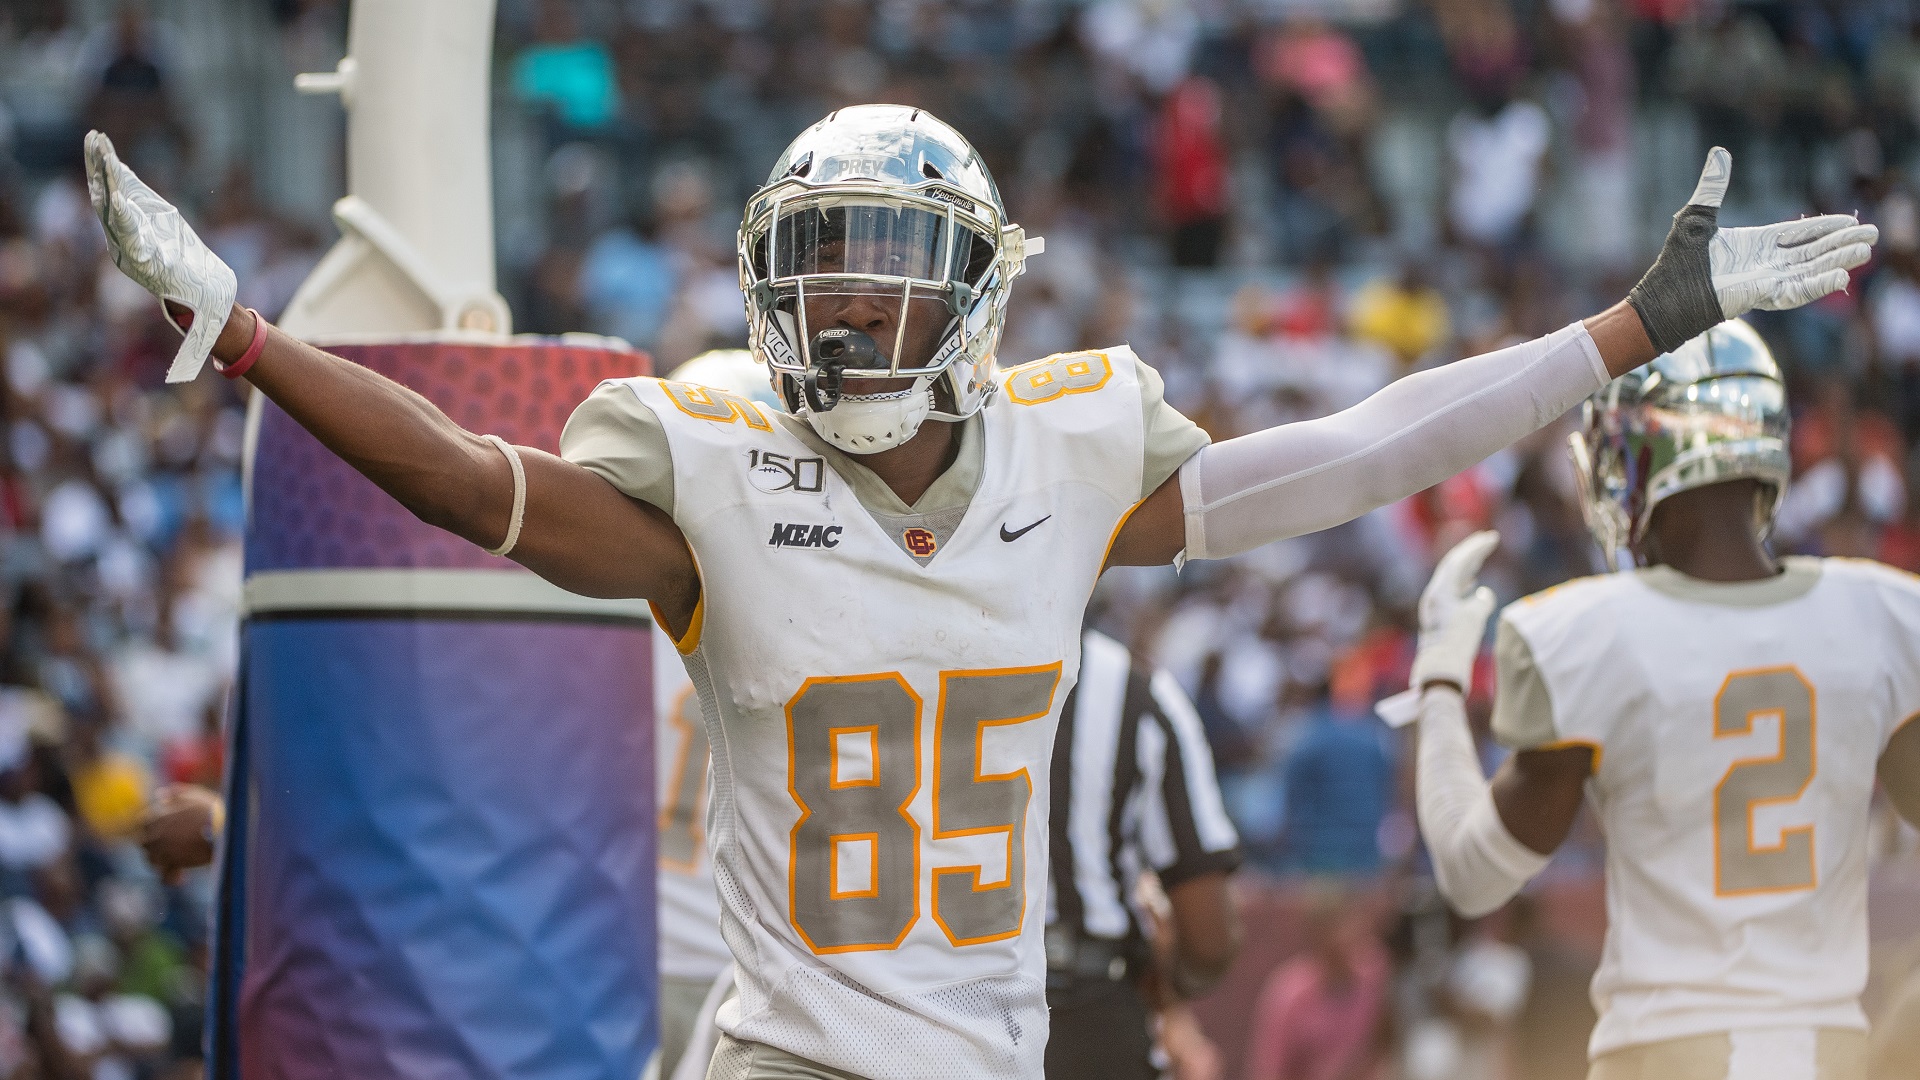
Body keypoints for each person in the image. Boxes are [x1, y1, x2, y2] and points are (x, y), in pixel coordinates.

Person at [83, 103, 1873, 1079]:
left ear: (978, 286)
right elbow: (474, 487)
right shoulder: (712, 464)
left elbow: (1358, 450)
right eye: (820, 275)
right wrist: (248, 335)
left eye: (886, 271)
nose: (850, 310)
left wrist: (1637, 325)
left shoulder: (1067, 453)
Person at [1395, 320, 1920, 1080]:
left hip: (1666, 1053)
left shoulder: (1593, 631)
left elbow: (1475, 872)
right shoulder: (1880, 614)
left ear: (1634, 459)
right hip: (1823, 1053)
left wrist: (1440, 676)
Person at [1045, 629, 1239, 1080]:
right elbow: (1209, 941)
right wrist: (1170, 988)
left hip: (920, 1014)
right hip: (1086, 1013)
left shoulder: (896, 653)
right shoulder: (1135, 691)